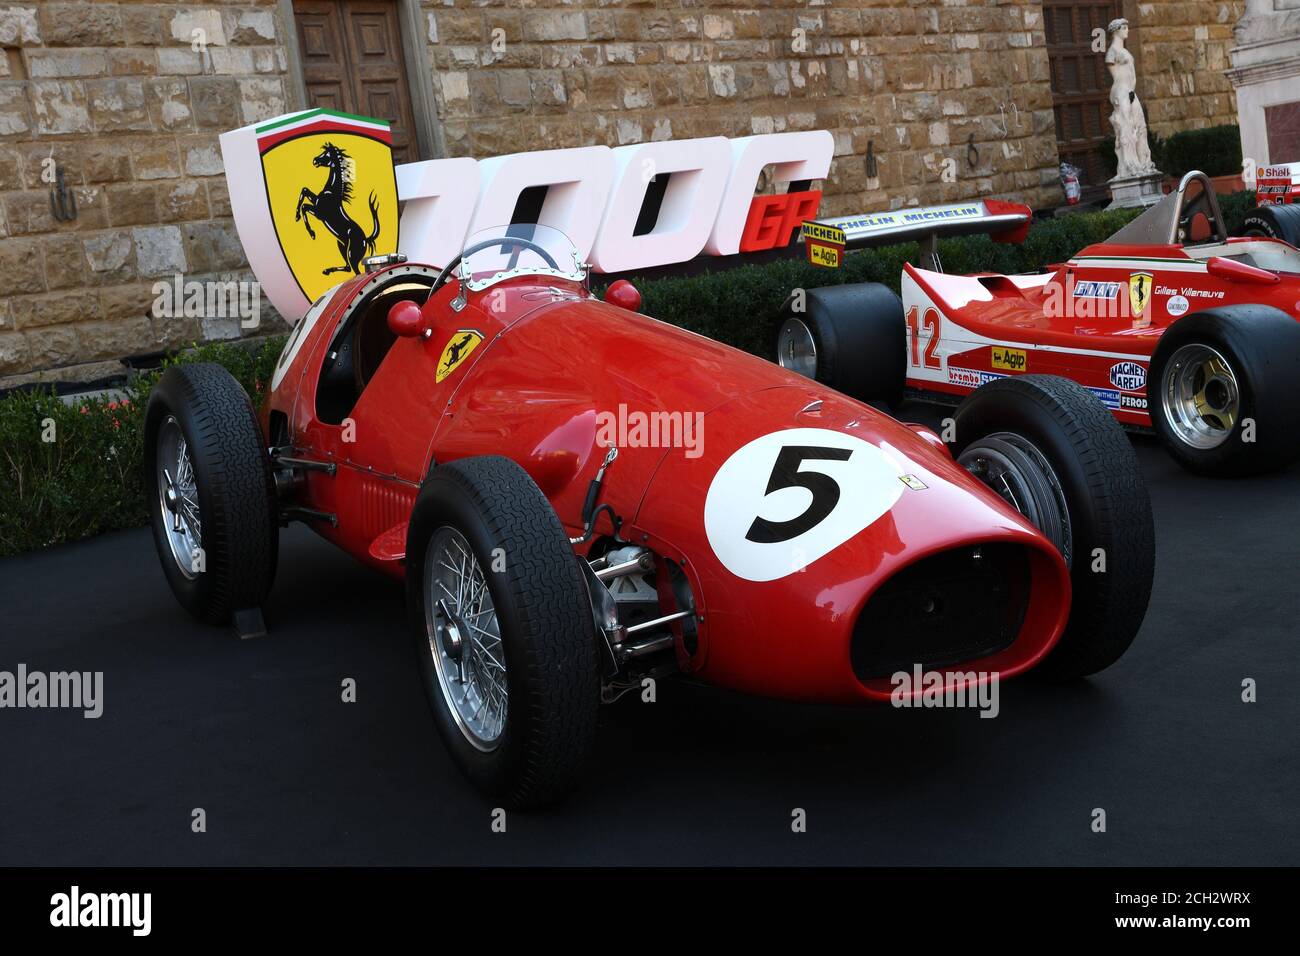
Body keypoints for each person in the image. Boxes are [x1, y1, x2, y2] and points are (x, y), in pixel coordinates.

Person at [1106, 19, 1156, 178]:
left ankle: (1144, 162)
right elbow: (1116, 77)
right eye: (1125, 28)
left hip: (1130, 91)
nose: (1127, 30)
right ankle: (1130, 165)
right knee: (1126, 128)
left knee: (1140, 125)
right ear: (1116, 31)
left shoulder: (1125, 51)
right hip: (1121, 90)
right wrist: (1122, 94)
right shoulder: (1112, 52)